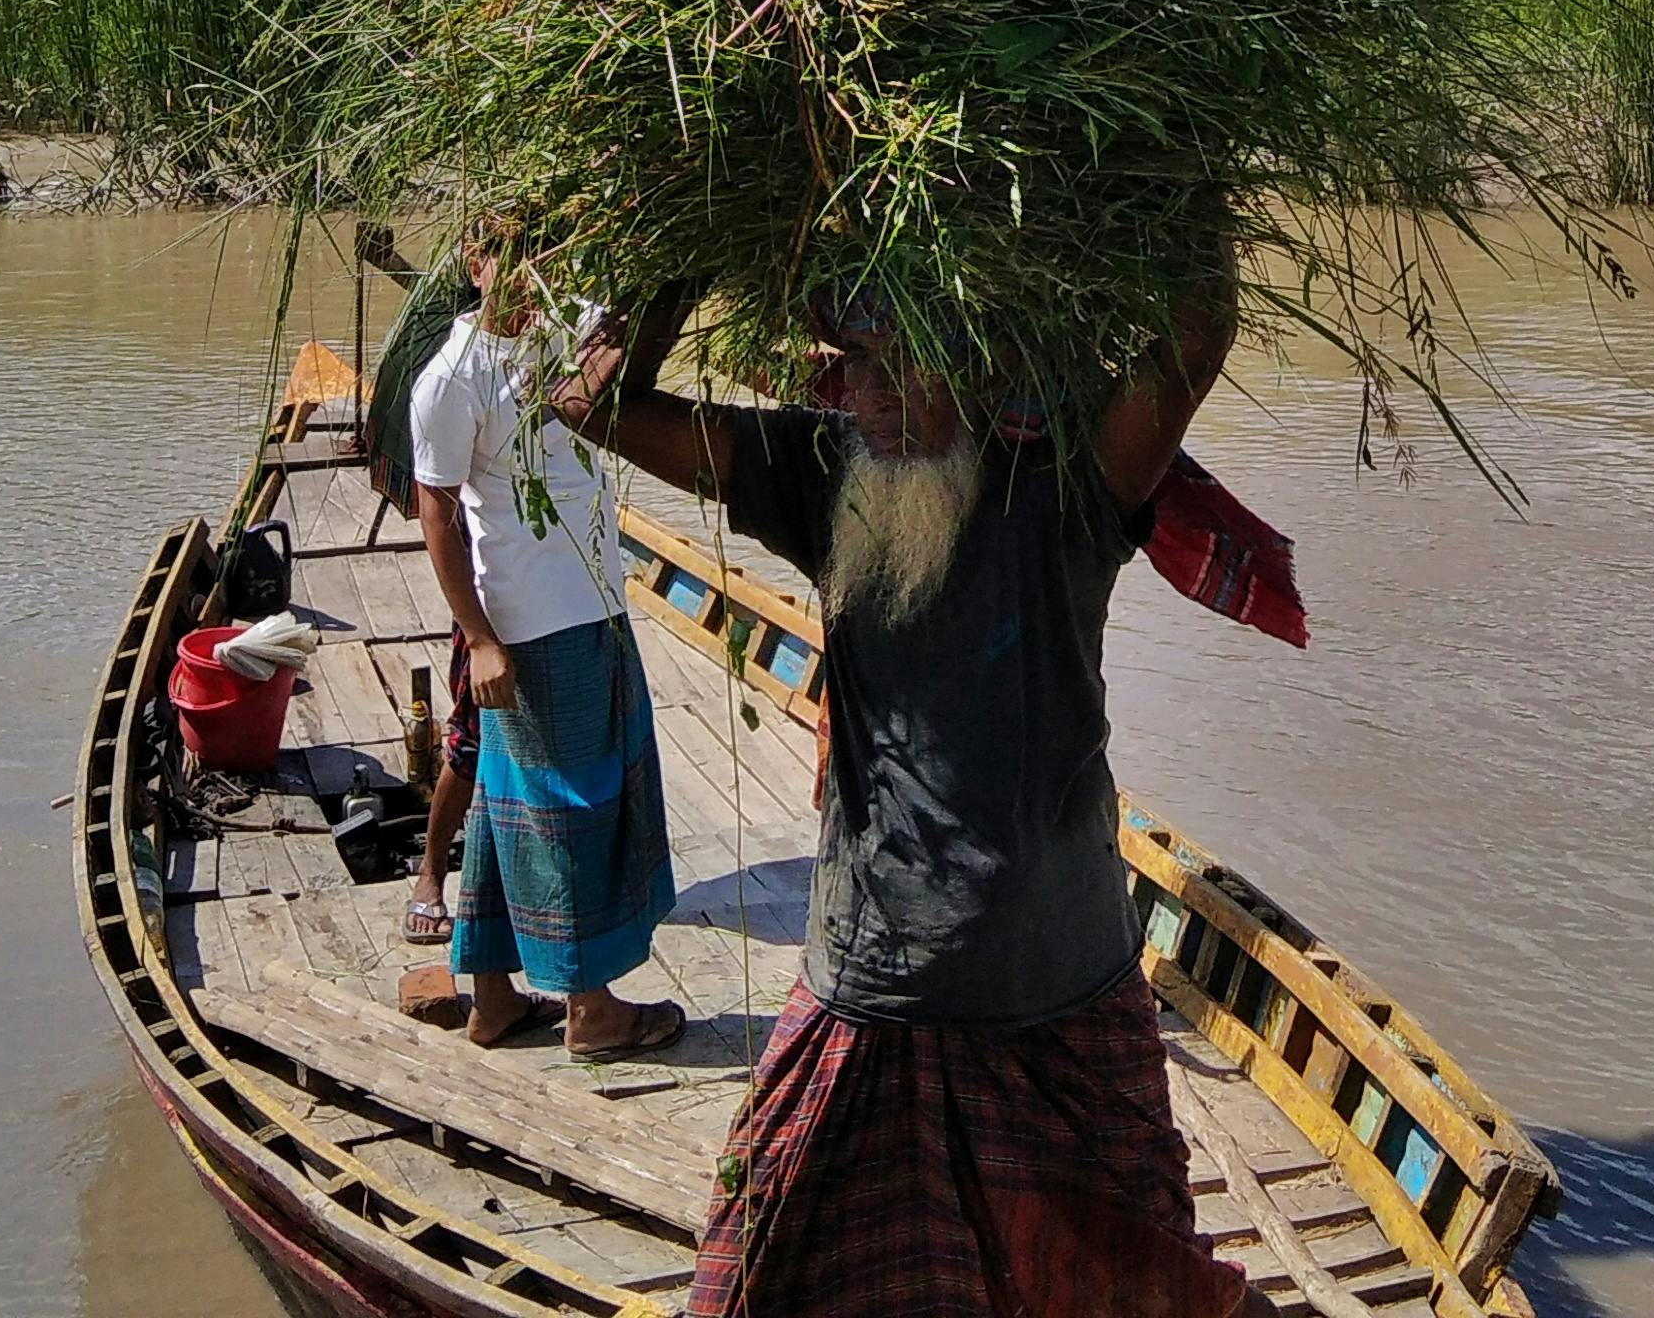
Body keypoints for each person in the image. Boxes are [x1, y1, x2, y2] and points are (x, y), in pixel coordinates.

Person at [556, 235, 1248, 1318]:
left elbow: (1196, 332)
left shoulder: (1067, 484)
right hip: (872, 979)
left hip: (1058, 982)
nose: (868, 392)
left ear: (980, 364)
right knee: (756, 1281)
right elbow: (589, 403)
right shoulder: (821, 472)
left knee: (1145, 1286)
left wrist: (1187, 191)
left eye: (901, 360)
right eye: (856, 362)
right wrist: (683, 239)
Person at [407, 224, 684, 1059]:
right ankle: (591, 1009)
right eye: (514, 252)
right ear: (475, 264)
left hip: (589, 600)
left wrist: (670, 237)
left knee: (505, 804)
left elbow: (634, 333)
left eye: (549, 249)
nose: (534, 271)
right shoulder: (450, 378)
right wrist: (481, 640)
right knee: (573, 807)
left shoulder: (567, 331)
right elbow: (437, 514)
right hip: (535, 623)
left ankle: (493, 998)